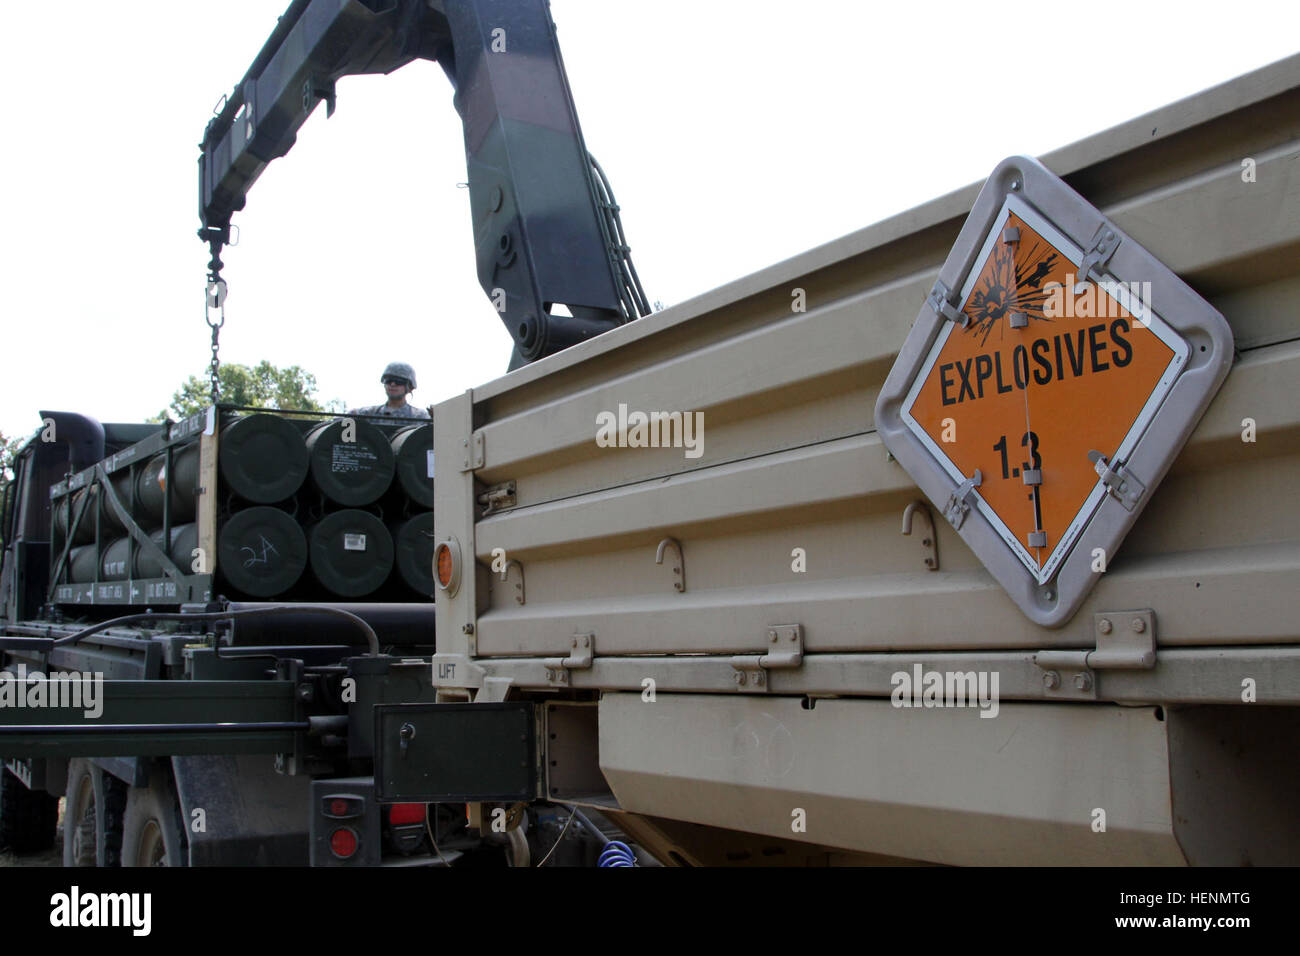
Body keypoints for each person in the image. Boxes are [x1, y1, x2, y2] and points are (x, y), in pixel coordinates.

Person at [348, 362, 431, 419]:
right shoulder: (367, 414)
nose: (393, 384)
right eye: (388, 380)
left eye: (399, 381)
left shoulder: (420, 417)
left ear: (410, 387)